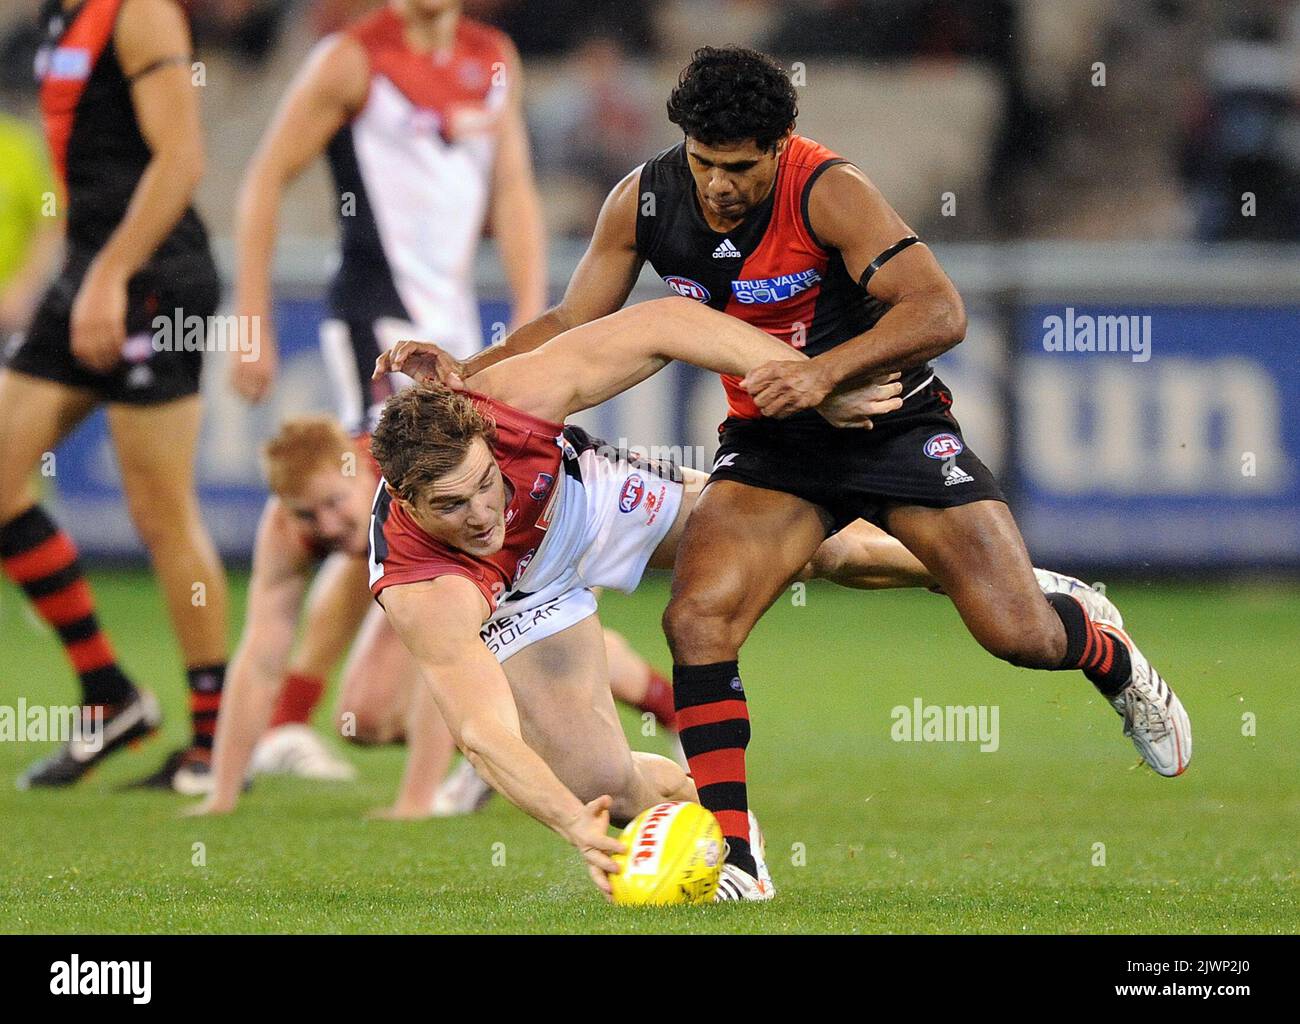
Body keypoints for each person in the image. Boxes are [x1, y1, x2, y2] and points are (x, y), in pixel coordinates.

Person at [389, 46, 1192, 900]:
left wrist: (823, 374)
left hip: (890, 420)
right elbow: (572, 321)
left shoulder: (829, 190)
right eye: (705, 163)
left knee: (1016, 634)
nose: (720, 186)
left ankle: (1098, 646)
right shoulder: (646, 198)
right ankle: (737, 858)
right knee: (698, 619)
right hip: (775, 439)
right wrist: (465, 375)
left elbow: (939, 309)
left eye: (740, 167)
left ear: (782, 145)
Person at [189, 415, 690, 819]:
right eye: (304, 514)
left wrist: (416, 802)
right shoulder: (287, 532)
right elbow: (260, 656)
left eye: (333, 504)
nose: (324, 525)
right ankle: (515, 743)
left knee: (479, 660)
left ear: (366, 474)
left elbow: (441, 668)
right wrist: (223, 793)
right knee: (364, 719)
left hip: (540, 538)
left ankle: (651, 712)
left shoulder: (420, 500)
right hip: (467, 578)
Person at [2, 0, 230, 792]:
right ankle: (111, 695)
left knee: (161, 512)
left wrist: (110, 272)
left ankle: (210, 746)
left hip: (153, 278)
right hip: (87, 273)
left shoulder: (137, 13)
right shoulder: (55, 18)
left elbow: (181, 158)